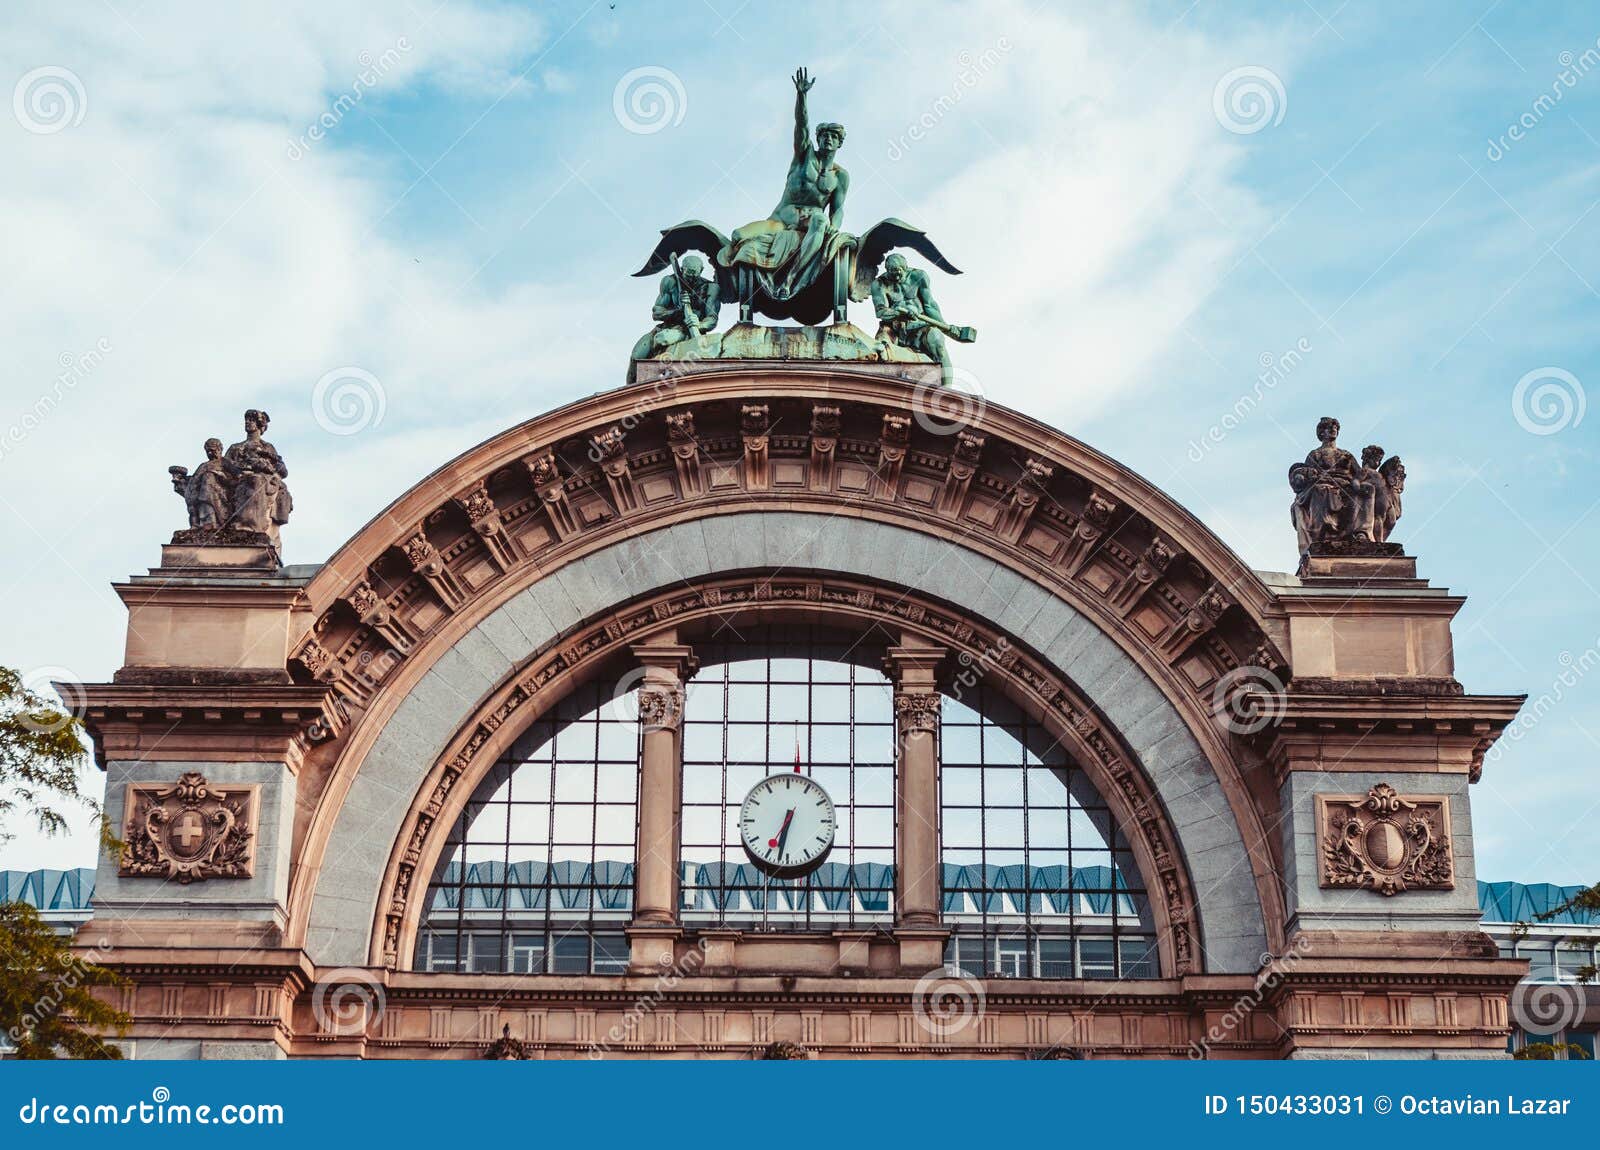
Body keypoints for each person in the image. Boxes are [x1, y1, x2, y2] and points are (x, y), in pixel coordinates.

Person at [718, 68, 851, 317]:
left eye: (834, 137)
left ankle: (791, 279)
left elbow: (838, 208)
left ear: (839, 143)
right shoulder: (804, 155)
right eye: (824, 135)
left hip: (811, 223)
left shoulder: (840, 176)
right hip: (779, 222)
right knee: (737, 237)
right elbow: (801, 124)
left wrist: (834, 226)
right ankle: (733, 287)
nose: (828, 140)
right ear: (818, 138)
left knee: (821, 220)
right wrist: (802, 97)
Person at [871, 254, 969, 388]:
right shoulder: (879, 284)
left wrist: (944, 327)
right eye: (893, 274)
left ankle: (947, 390)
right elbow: (881, 311)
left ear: (905, 268)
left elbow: (929, 305)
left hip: (919, 325)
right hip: (894, 327)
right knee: (879, 351)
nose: (897, 277)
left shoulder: (919, 276)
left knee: (937, 340)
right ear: (887, 270)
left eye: (900, 273)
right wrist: (899, 313)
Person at [630, 254, 720, 362]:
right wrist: (677, 312)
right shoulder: (669, 282)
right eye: (688, 275)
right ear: (682, 269)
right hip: (667, 326)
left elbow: (712, 318)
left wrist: (699, 324)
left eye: (695, 276)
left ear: (701, 270)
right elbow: (657, 313)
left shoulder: (711, 288)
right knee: (637, 354)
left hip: (687, 330)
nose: (692, 279)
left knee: (662, 338)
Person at [223, 409, 292, 548]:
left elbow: (283, 471)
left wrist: (268, 461)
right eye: (246, 420)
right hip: (236, 479)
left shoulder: (267, 447)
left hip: (261, 480)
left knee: (255, 480)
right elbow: (224, 466)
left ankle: (250, 525)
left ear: (260, 425)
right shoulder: (235, 447)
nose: (248, 423)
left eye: (252, 420)